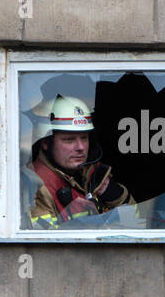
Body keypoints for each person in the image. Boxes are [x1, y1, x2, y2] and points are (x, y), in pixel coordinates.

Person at [26, 94, 133, 227]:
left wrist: (115, 196)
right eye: (69, 140)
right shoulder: (36, 186)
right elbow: (45, 244)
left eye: (84, 138)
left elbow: (137, 224)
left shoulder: (97, 176)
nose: (81, 147)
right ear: (46, 143)